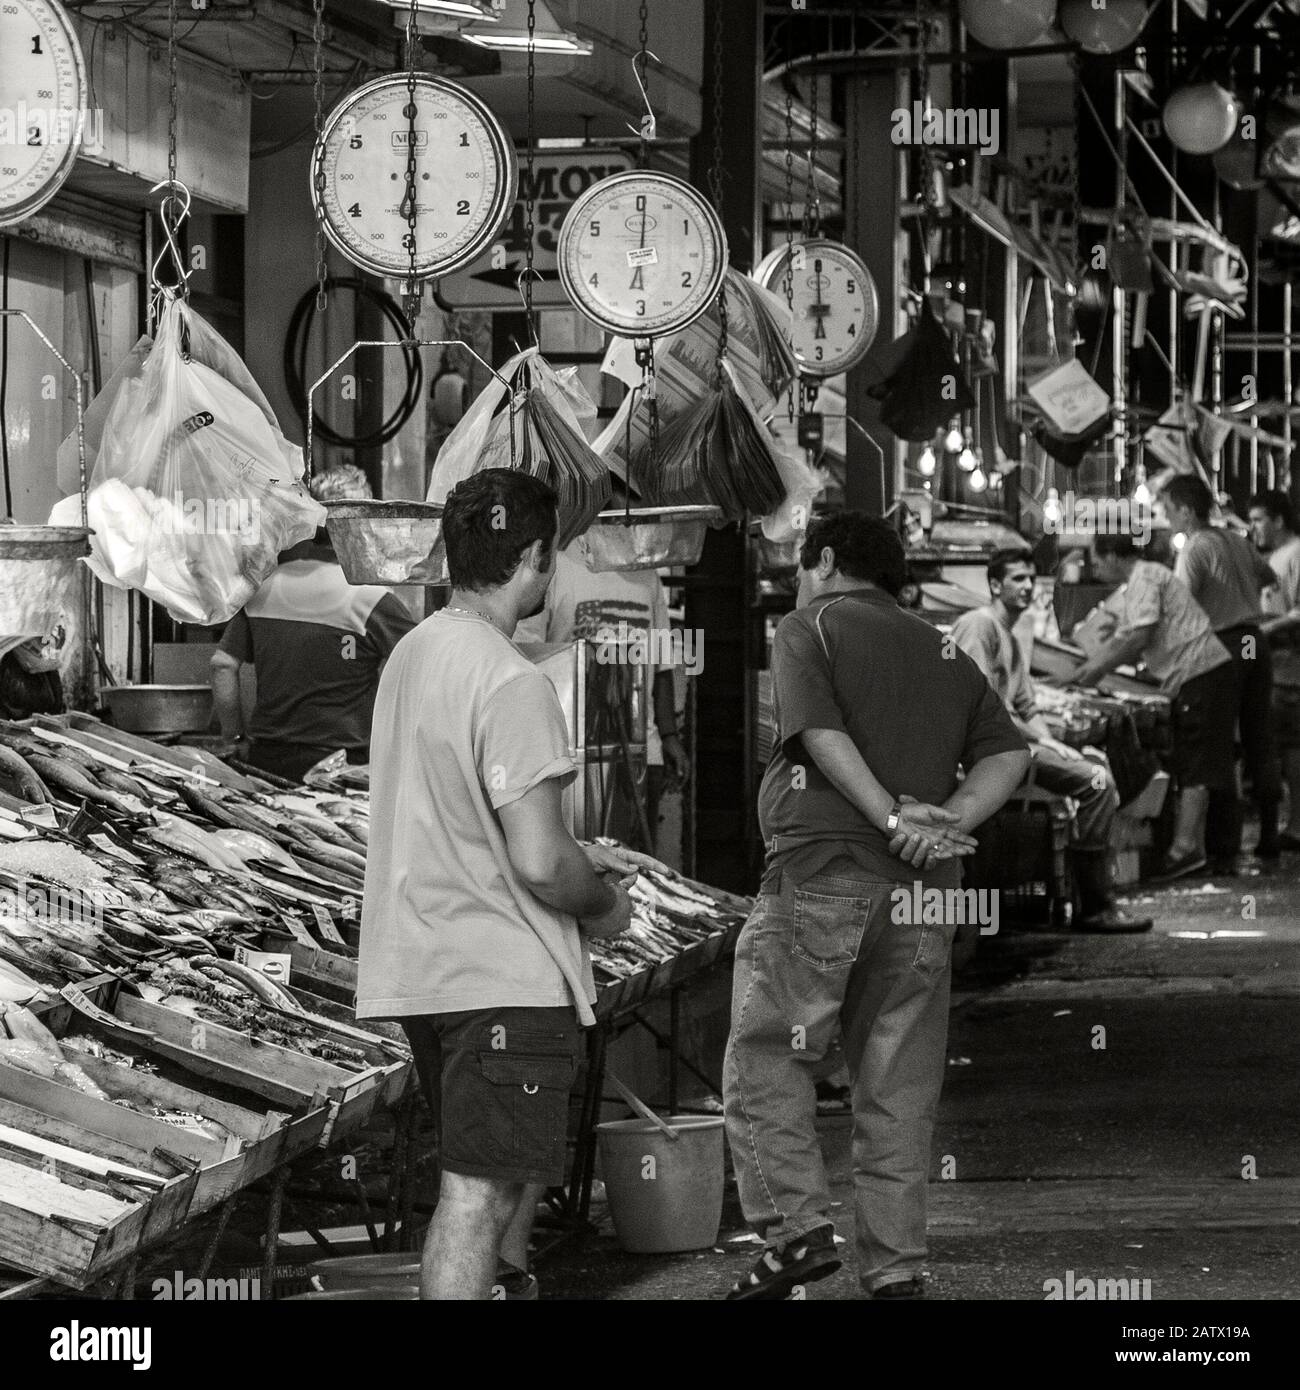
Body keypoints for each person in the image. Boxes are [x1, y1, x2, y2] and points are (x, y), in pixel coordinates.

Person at [356, 468, 653, 1301]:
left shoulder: (412, 656)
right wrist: (602, 905)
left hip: (425, 967)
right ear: (532, 556)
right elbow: (538, 863)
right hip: (499, 979)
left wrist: (574, 853)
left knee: (496, 1179)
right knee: (479, 1192)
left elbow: (464, 816)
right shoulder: (513, 678)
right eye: (548, 556)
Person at [723, 512, 1029, 1301]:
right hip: (923, 901)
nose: (795, 578)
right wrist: (949, 821)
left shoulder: (809, 626)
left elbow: (819, 735)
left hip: (822, 875)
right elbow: (1011, 751)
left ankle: (796, 1234)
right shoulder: (946, 650)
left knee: (767, 1058)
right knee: (897, 1085)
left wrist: (894, 820)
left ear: (825, 561)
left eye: (799, 563)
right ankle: (897, 1270)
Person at [950, 550, 1151, 933]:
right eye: (1018, 579)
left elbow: (1025, 703)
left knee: (1096, 769)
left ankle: (1091, 895)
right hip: (988, 751)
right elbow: (985, 705)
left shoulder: (1008, 633)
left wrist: (1051, 742)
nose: (1028, 587)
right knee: (1098, 784)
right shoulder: (979, 625)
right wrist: (1042, 743)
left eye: (1031, 578)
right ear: (995, 585)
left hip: (1014, 744)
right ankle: (1094, 906)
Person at [209, 465, 416, 782]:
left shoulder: (266, 588)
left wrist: (233, 738)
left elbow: (223, 664)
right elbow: (425, 669)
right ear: (362, 525)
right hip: (344, 771)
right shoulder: (371, 599)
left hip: (267, 763)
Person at [1071, 534, 1237, 882]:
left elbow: (1138, 636)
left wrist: (1095, 671)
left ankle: (1184, 851)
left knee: (1198, 762)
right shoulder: (1138, 584)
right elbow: (1123, 635)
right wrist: (1091, 664)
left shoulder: (1145, 576)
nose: (1095, 567)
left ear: (1115, 555)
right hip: (1199, 674)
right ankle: (1202, 849)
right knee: (1202, 761)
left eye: (1097, 559)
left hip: (1200, 672)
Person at [513, 538, 689, 853]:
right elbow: (529, 656)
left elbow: (661, 662)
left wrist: (669, 736)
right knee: (574, 855)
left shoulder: (645, 569)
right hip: (568, 753)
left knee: (636, 865)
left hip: (640, 749)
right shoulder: (555, 565)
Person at [1164, 474, 1281, 865]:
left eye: (1168, 510)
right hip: (1253, 640)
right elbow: (1270, 578)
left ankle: (1219, 848)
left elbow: (1179, 604)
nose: (1167, 519)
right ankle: (1268, 838)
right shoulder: (1237, 540)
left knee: (1214, 746)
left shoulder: (1195, 547)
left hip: (1224, 647)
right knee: (1258, 738)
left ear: (1185, 510)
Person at [1248, 489, 1300, 849]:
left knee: (1293, 747)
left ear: (1279, 520)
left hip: (1291, 668)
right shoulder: (1274, 556)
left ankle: (1296, 825)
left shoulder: (1296, 554)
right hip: (1276, 666)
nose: (1254, 528)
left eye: (1258, 520)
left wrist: (1266, 629)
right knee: (1281, 747)